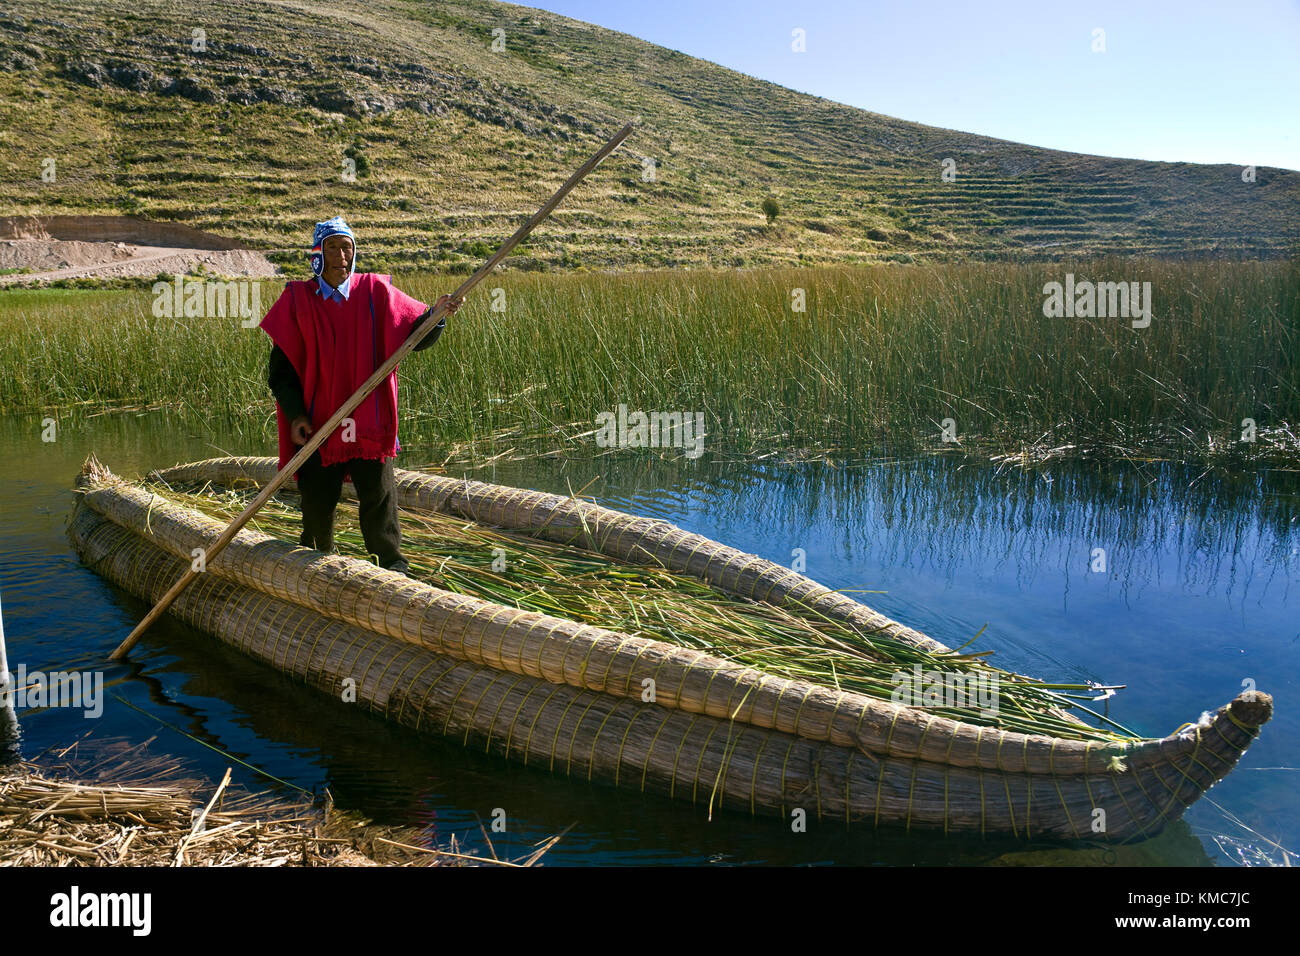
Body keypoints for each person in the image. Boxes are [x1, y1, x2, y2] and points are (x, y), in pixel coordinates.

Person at [259, 216, 460, 575]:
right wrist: (297, 415)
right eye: (333, 247)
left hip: (369, 420)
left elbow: (417, 335)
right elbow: (281, 374)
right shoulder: (298, 300)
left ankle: (392, 568)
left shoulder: (376, 291)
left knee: (379, 499)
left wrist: (437, 317)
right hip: (320, 425)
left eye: (347, 248)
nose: (341, 256)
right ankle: (316, 565)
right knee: (318, 503)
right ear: (317, 255)